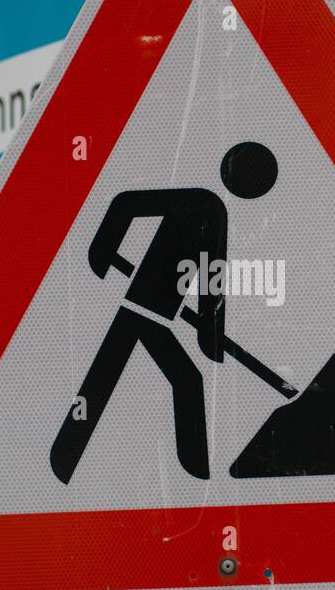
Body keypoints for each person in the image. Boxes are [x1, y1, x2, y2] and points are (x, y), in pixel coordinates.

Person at [50, 141, 279, 483]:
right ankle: (194, 475)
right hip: (140, 308)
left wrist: (209, 334)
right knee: (173, 379)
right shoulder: (203, 204)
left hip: (155, 315)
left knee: (129, 375)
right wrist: (102, 251)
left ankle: (66, 457)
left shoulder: (214, 213)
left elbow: (211, 286)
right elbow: (126, 204)